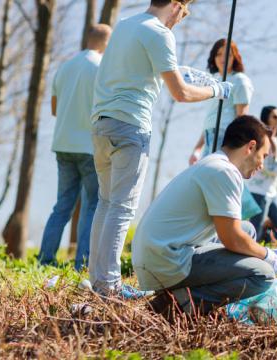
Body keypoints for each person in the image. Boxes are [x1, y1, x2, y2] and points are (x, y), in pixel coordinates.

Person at [89, 0, 232, 299]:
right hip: (130, 126)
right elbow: (180, 93)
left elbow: (133, 69)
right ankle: (110, 286)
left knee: (105, 203)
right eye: (184, 13)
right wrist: (216, 90)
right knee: (122, 207)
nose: (181, 20)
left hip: (102, 123)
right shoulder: (160, 33)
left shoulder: (125, 25)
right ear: (177, 6)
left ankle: (99, 280)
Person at [133, 116, 277, 316]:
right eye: (263, 156)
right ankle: (177, 304)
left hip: (158, 253)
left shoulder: (214, 163)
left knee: (248, 229)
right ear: (250, 147)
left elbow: (237, 232)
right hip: (165, 260)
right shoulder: (224, 172)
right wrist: (268, 255)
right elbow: (232, 239)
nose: (262, 165)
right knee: (262, 275)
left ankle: (189, 294)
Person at [38, 25, 113, 271]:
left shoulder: (65, 67)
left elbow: (54, 109)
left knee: (62, 206)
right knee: (92, 204)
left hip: (63, 144)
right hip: (89, 146)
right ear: (105, 42)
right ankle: (82, 264)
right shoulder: (102, 68)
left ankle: (45, 260)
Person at [189, 39, 253, 163]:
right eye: (218, 54)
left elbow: (241, 117)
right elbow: (211, 120)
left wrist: (233, 145)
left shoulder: (239, 80)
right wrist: (197, 148)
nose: (223, 58)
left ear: (235, 57)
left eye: (228, 54)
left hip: (225, 136)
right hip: (210, 136)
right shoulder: (214, 82)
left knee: (213, 177)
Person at [246, 106, 277, 241]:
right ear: (266, 118)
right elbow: (263, 165)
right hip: (258, 191)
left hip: (272, 192)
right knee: (255, 229)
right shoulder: (260, 139)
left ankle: (261, 243)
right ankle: (249, 252)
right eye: (274, 117)